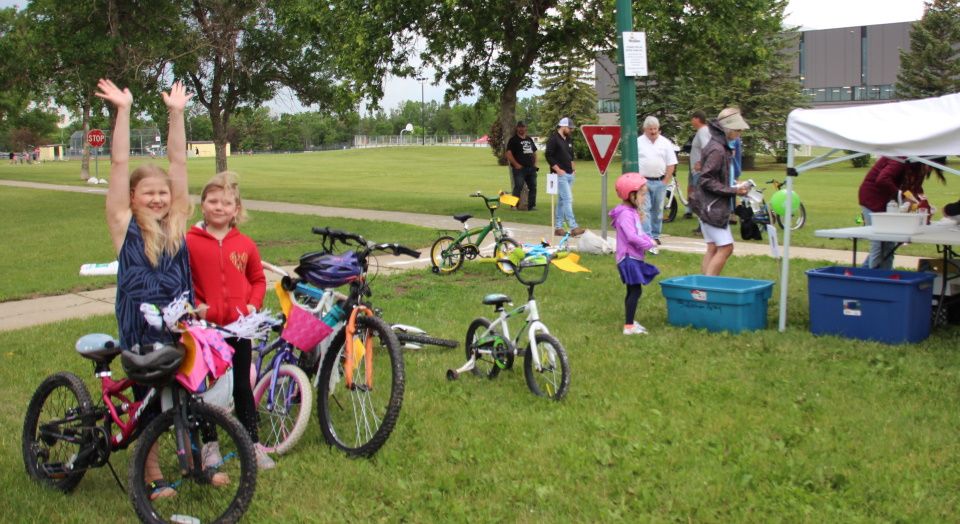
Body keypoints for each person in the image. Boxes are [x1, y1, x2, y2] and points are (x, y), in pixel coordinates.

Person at [96, 78, 193, 500]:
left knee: (186, 391)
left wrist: (177, 114)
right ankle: (152, 475)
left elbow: (179, 163)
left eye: (162, 193)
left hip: (178, 324)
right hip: (139, 327)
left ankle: (195, 459)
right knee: (147, 399)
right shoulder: (124, 226)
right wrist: (123, 111)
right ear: (133, 197)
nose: (157, 199)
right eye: (148, 193)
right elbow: (119, 165)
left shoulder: (175, 224)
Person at [186, 171, 274, 471]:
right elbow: (183, 281)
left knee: (240, 387)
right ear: (202, 205)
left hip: (238, 329)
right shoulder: (190, 242)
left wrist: (252, 304)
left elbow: (258, 279)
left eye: (226, 203)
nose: (219, 207)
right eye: (213, 201)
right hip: (206, 332)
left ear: (237, 209)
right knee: (209, 392)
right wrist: (196, 307)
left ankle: (252, 443)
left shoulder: (245, 244)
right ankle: (209, 448)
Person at [689, 107, 752, 276]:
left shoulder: (718, 145)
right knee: (726, 248)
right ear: (729, 129)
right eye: (738, 130)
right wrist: (733, 190)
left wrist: (734, 185)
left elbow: (712, 174)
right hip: (712, 206)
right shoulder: (718, 149)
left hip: (707, 204)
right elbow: (706, 179)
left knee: (713, 247)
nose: (740, 133)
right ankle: (708, 288)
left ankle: (703, 288)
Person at [858, 156, 945, 269]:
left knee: (889, 245)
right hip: (873, 199)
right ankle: (876, 279)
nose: (929, 170)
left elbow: (915, 187)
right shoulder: (900, 158)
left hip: (890, 203)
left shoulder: (918, 166)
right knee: (879, 243)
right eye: (930, 166)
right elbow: (883, 179)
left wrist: (922, 203)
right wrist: (903, 196)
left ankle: (870, 274)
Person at [610, 161, 662, 336]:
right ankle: (629, 326)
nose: (644, 198)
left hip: (633, 258)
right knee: (635, 290)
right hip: (628, 258)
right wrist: (648, 244)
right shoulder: (625, 214)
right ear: (631, 195)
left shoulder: (631, 212)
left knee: (633, 290)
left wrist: (650, 240)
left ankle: (630, 322)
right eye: (642, 194)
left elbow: (639, 233)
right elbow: (632, 237)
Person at [636, 116, 679, 254]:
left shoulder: (665, 143)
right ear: (645, 129)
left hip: (660, 181)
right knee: (645, 208)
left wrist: (666, 180)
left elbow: (671, 162)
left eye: (655, 129)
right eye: (650, 129)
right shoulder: (638, 142)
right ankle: (647, 236)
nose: (653, 132)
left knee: (658, 210)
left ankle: (655, 234)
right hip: (644, 181)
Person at [545, 117, 584, 237]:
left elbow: (571, 156)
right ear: (563, 127)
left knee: (562, 201)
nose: (571, 130)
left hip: (569, 174)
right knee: (568, 199)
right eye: (569, 128)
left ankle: (558, 228)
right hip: (560, 175)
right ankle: (573, 227)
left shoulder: (568, 139)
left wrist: (573, 169)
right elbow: (548, 155)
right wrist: (557, 170)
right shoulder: (553, 139)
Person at [686, 111, 711, 235]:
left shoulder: (703, 131)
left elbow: (707, 148)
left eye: (692, 118)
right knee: (699, 199)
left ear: (697, 119)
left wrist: (701, 162)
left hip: (699, 172)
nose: (691, 121)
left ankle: (704, 227)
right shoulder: (702, 131)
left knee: (700, 199)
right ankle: (702, 226)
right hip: (696, 171)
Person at [506, 121, 539, 211]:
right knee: (518, 187)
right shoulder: (513, 140)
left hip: (530, 168)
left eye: (523, 127)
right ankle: (513, 205)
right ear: (517, 128)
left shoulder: (529, 139)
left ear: (526, 128)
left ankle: (531, 206)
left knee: (533, 187)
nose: (521, 129)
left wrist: (535, 165)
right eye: (520, 127)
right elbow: (508, 154)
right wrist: (516, 165)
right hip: (519, 169)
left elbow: (535, 152)